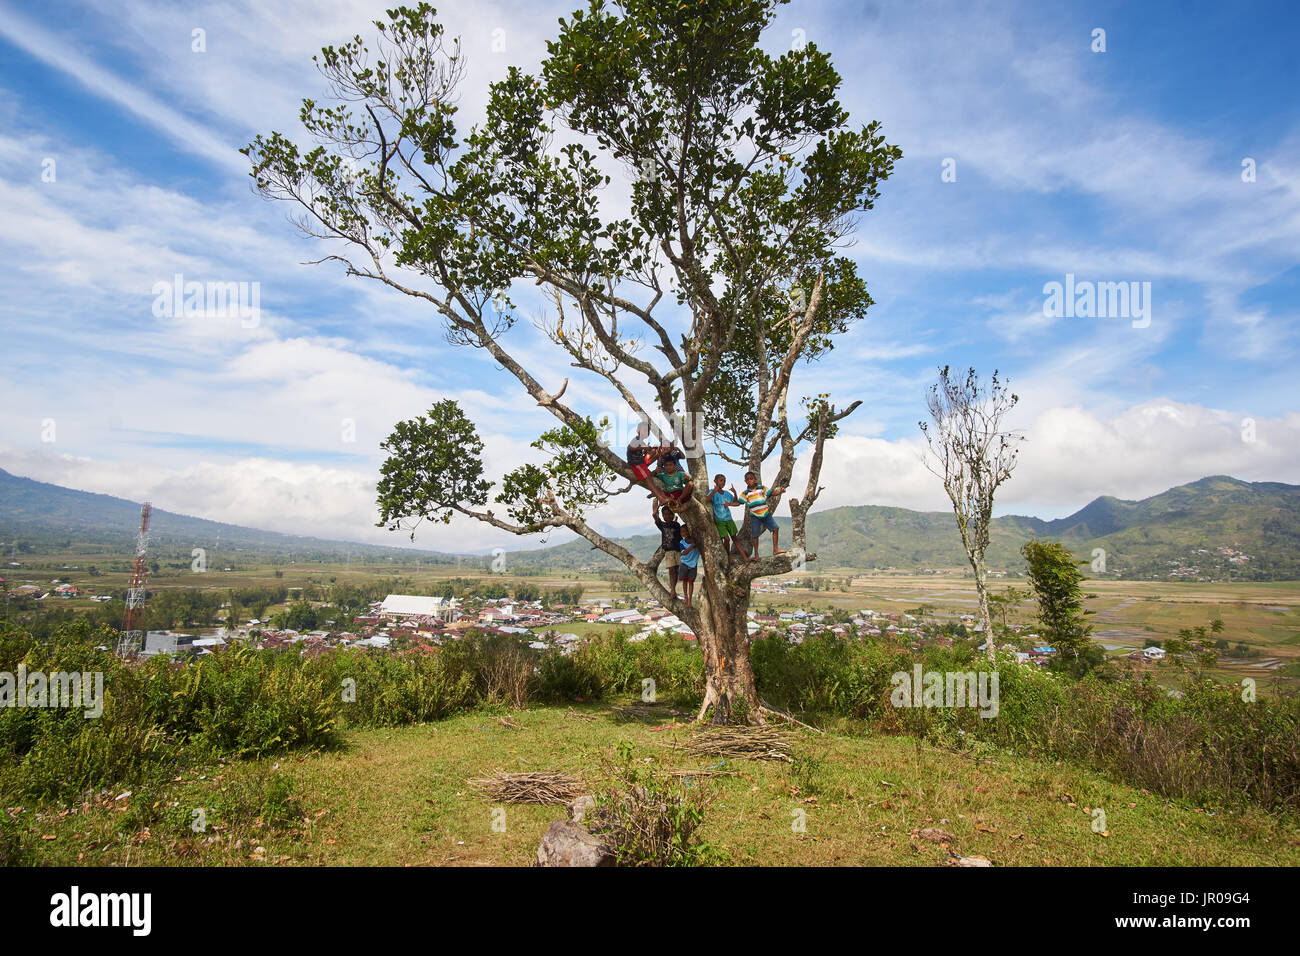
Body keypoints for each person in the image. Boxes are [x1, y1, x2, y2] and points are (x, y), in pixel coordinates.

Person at [740, 471, 787, 556]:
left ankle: (775, 549)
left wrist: (780, 491)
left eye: (751, 478)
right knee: (755, 535)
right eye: (747, 479)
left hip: (765, 513)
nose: (749, 480)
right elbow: (739, 502)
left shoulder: (762, 488)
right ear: (745, 481)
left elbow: (772, 493)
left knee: (775, 529)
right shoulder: (745, 493)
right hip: (755, 516)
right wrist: (729, 503)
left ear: (755, 479)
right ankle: (756, 554)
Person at [708, 474, 750, 562]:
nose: (723, 482)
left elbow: (736, 502)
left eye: (724, 481)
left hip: (729, 519)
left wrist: (735, 493)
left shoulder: (727, 494)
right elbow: (706, 500)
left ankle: (745, 557)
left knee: (735, 538)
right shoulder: (712, 492)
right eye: (721, 480)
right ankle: (728, 555)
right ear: (715, 481)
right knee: (726, 539)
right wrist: (714, 491)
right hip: (719, 520)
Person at [652, 501, 683, 600]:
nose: (667, 516)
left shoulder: (677, 525)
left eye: (669, 514)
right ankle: (673, 590)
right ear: (663, 516)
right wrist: (657, 504)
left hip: (678, 550)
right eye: (665, 514)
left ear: (673, 514)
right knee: (671, 570)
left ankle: (674, 589)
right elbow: (654, 515)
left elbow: (681, 537)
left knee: (677, 570)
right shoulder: (662, 525)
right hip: (669, 551)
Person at [677, 526, 699, 608]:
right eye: (683, 532)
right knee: (684, 581)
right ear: (681, 533)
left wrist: (694, 544)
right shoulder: (682, 542)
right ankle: (685, 597)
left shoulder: (696, 541)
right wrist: (692, 546)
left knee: (691, 582)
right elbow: (684, 552)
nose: (685, 533)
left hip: (693, 564)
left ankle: (690, 600)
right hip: (684, 564)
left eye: (687, 531)